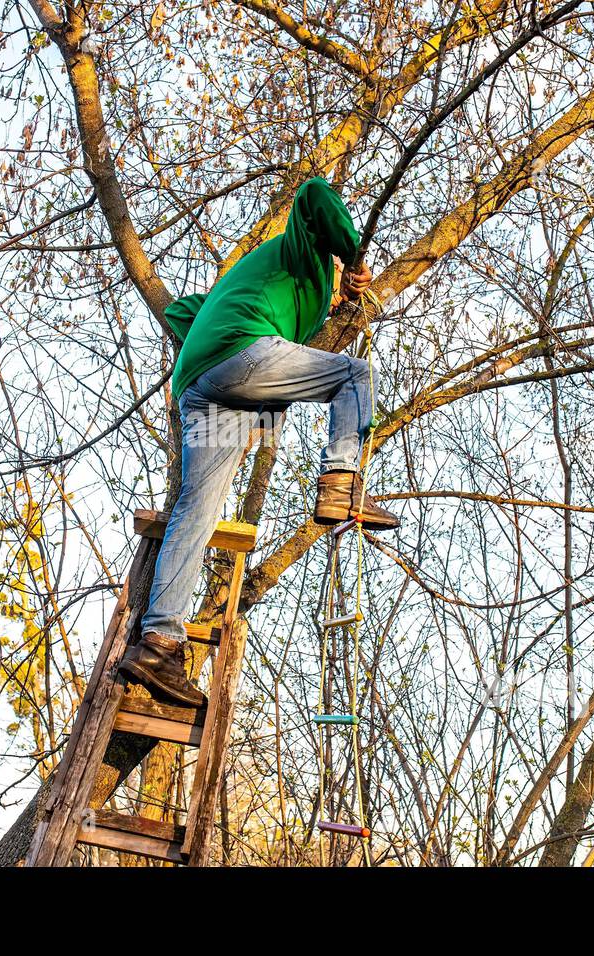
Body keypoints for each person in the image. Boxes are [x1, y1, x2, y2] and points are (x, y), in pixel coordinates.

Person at [119, 177, 400, 707]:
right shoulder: (305, 252)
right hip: (240, 357)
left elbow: (182, 312)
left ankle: (158, 644)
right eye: (341, 277)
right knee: (355, 376)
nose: (340, 289)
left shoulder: (251, 284)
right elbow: (315, 193)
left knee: (196, 511)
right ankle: (341, 483)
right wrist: (350, 252)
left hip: (203, 387)